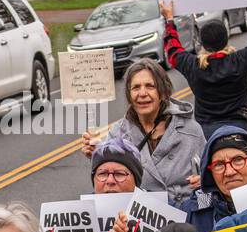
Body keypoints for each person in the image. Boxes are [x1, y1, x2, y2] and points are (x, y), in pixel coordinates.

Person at [81, 57, 204, 206]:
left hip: (184, 219)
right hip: (138, 221)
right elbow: (108, 185)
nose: (142, 93)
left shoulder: (191, 131)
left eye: (150, 86)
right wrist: (97, 153)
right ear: (129, 95)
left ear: (163, 92)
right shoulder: (117, 134)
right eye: (136, 87)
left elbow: (211, 179)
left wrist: (204, 182)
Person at [159, 0, 247, 136]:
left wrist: (169, 19)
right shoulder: (240, 61)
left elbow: (172, 49)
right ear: (226, 39)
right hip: (243, 129)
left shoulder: (192, 66)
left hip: (208, 132)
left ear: (202, 42)